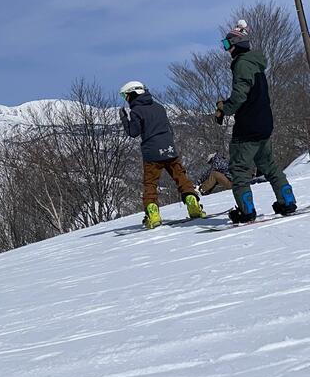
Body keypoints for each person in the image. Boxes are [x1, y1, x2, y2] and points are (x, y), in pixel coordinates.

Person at [214, 19, 297, 223]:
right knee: (269, 165)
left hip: (248, 127)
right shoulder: (255, 63)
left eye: (227, 45)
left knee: (240, 169)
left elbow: (241, 95)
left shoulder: (241, 65)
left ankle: (246, 210)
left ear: (236, 44)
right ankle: (287, 201)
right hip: (263, 123)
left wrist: (224, 109)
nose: (226, 49)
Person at [120, 81, 205, 228]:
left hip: (151, 151)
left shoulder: (136, 111)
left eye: (125, 96)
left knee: (150, 184)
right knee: (181, 177)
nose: (125, 99)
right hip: (169, 148)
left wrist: (124, 119)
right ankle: (192, 201)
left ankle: (152, 213)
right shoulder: (159, 107)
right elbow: (169, 129)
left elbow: (133, 132)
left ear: (133, 94)